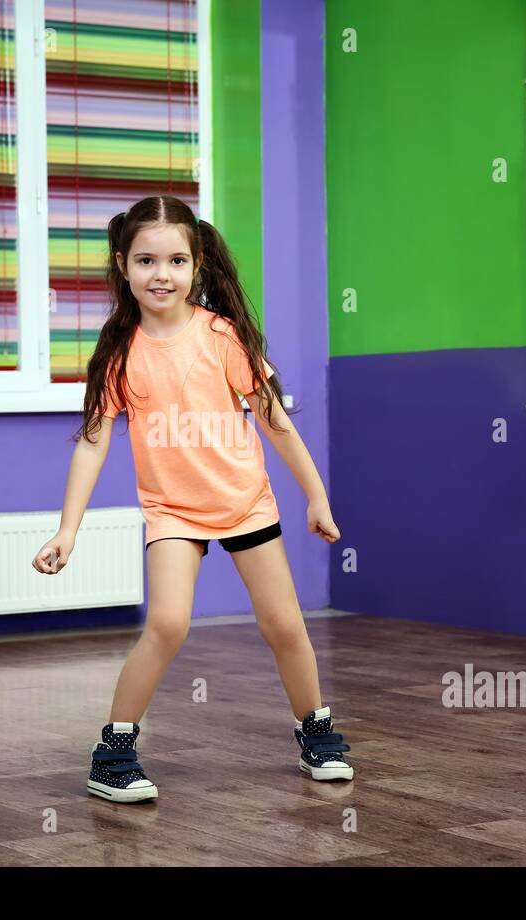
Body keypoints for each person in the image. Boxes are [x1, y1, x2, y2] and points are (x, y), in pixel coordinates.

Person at [31, 195, 352, 803]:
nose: (162, 274)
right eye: (147, 260)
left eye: (177, 260)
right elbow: (92, 446)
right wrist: (67, 529)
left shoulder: (222, 335)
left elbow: (275, 420)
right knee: (169, 624)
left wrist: (317, 498)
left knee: (284, 624)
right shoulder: (119, 352)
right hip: (172, 510)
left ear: (197, 265)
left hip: (245, 502)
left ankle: (316, 730)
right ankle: (114, 751)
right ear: (122, 264)